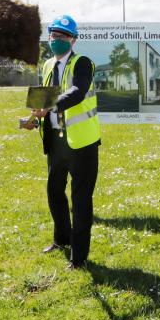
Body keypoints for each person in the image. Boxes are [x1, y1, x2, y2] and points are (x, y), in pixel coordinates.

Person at [24, 14, 100, 270]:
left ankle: (78, 256)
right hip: (55, 142)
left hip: (81, 142)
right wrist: (33, 117)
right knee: (54, 192)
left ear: (73, 40)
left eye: (62, 36)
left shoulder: (83, 63)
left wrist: (51, 106)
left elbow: (77, 91)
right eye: (53, 36)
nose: (56, 40)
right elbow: (42, 96)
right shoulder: (47, 65)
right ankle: (61, 239)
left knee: (80, 200)